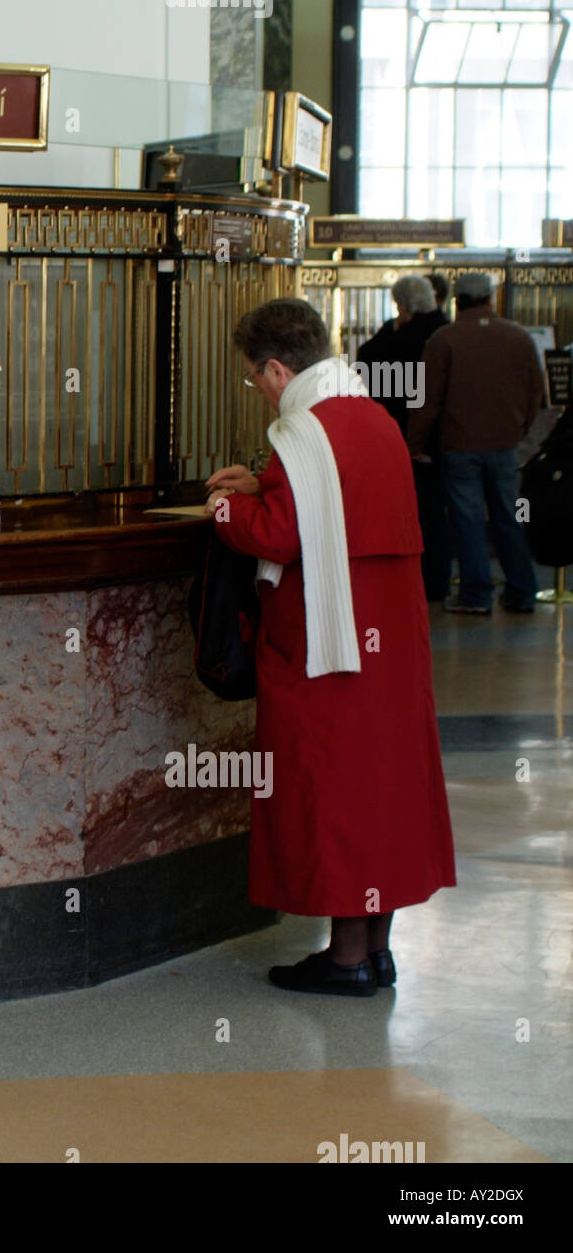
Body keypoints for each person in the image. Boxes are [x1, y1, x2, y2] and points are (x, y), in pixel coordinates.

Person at [205, 298, 456, 998]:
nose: (256, 388)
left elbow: (279, 537)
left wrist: (227, 507)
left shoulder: (303, 431)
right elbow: (333, 501)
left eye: (254, 376)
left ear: (278, 369)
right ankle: (376, 951)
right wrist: (265, 484)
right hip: (391, 643)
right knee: (384, 790)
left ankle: (345, 959)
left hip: (326, 648)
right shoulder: (370, 415)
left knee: (336, 791)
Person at [406, 271, 544, 614]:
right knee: (509, 517)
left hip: (459, 446)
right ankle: (522, 591)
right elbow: (535, 392)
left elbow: (427, 398)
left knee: (466, 521)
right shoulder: (519, 337)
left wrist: (415, 441)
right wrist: (521, 429)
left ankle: (476, 596)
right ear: (491, 298)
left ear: (456, 300)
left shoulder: (444, 339)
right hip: (506, 445)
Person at [356, 275, 452, 600]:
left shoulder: (404, 336)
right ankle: (442, 580)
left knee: (417, 511)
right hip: (445, 437)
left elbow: (367, 360)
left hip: (408, 437)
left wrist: (390, 330)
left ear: (405, 305)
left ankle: (420, 580)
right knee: (439, 513)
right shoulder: (445, 329)